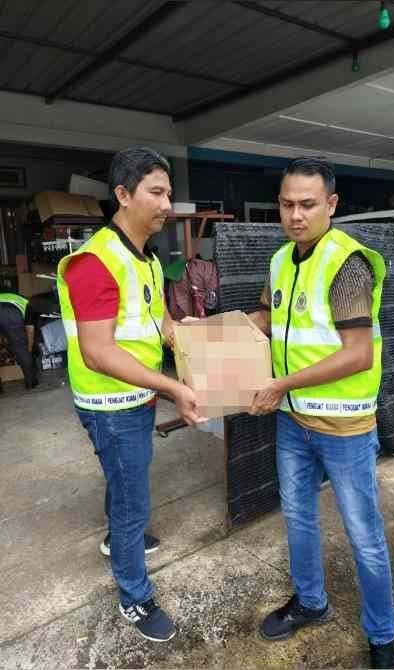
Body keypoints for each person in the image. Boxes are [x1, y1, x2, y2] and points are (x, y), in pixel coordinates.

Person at [246, 157, 394, 669]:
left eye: (307, 204)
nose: (295, 214)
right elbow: (269, 317)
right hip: (294, 421)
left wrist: (280, 384)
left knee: (364, 535)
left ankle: (382, 636)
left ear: (331, 205)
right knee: (298, 520)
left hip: (345, 429)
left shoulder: (347, 262)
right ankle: (311, 603)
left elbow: (358, 353)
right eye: (287, 204)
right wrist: (213, 330)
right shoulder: (280, 260)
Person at [56, 147, 205, 642]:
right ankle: (134, 596)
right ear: (123, 194)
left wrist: (186, 341)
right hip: (109, 403)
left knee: (126, 480)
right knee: (133, 497)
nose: (167, 205)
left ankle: (121, 537)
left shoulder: (145, 259)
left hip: (134, 398)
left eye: (170, 193)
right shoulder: (96, 262)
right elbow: (99, 351)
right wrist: (172, 387)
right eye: (156, 193)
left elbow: (155, 318)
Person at [0, 291, 39, 390]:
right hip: (9, 313)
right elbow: (30, 331)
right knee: (21, 348)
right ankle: (31, 382)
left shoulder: (21, 298)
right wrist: (29, 348)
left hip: (6, 310)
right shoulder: (30, 307)